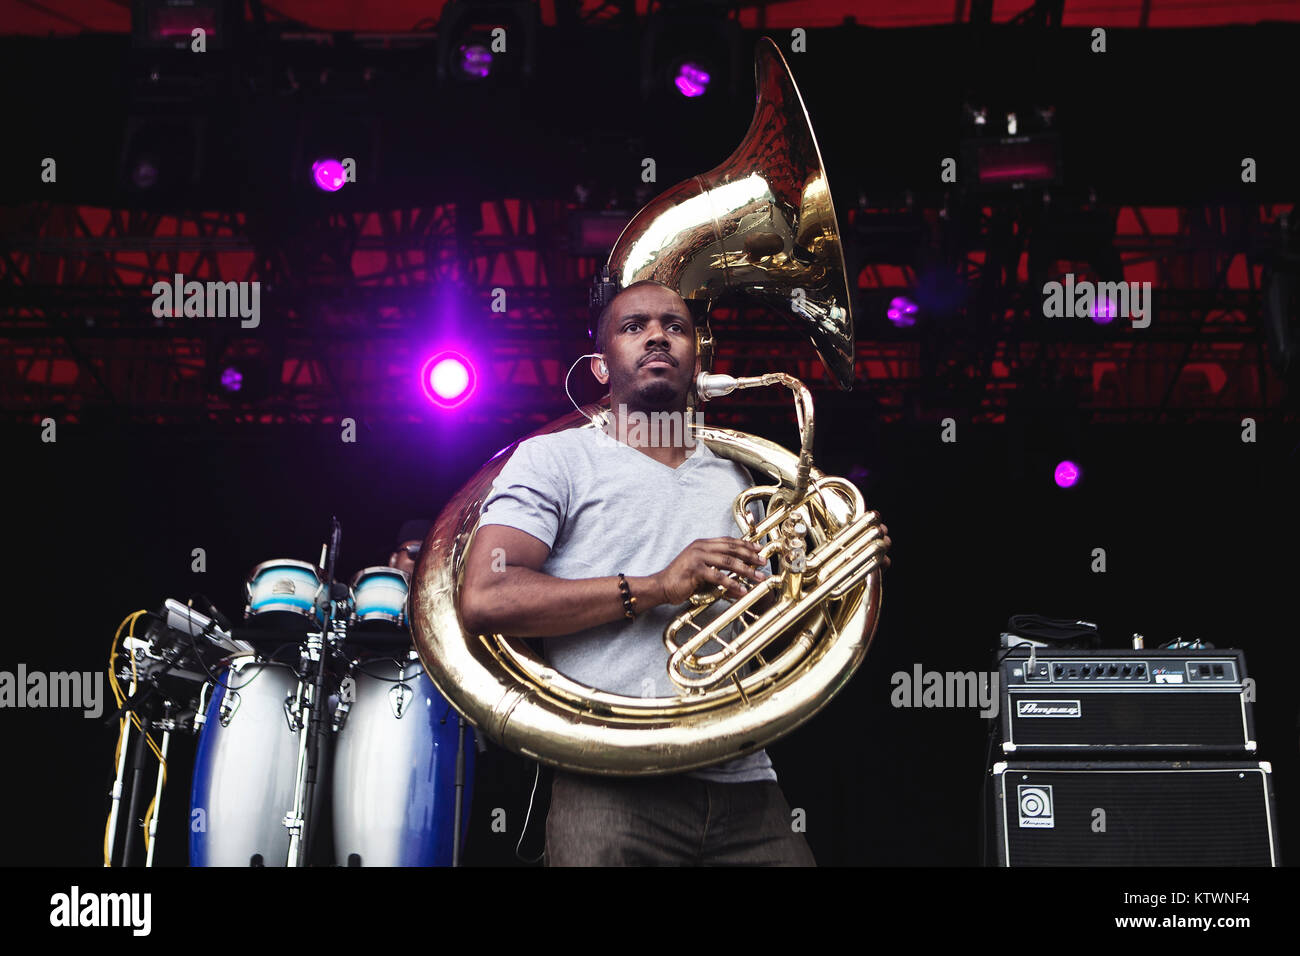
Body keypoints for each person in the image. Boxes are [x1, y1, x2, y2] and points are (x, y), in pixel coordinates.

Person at [459, 279, 888, 866]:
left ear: (697, 360)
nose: (658, 335)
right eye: (633, 327)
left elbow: (773, 626)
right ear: (601, 367)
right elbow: (486, 594)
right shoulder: (552, 458)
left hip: (747, 784)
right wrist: (658, 587)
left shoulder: (743, 480)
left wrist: (831, 576)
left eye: (676, 327)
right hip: (609, 781)